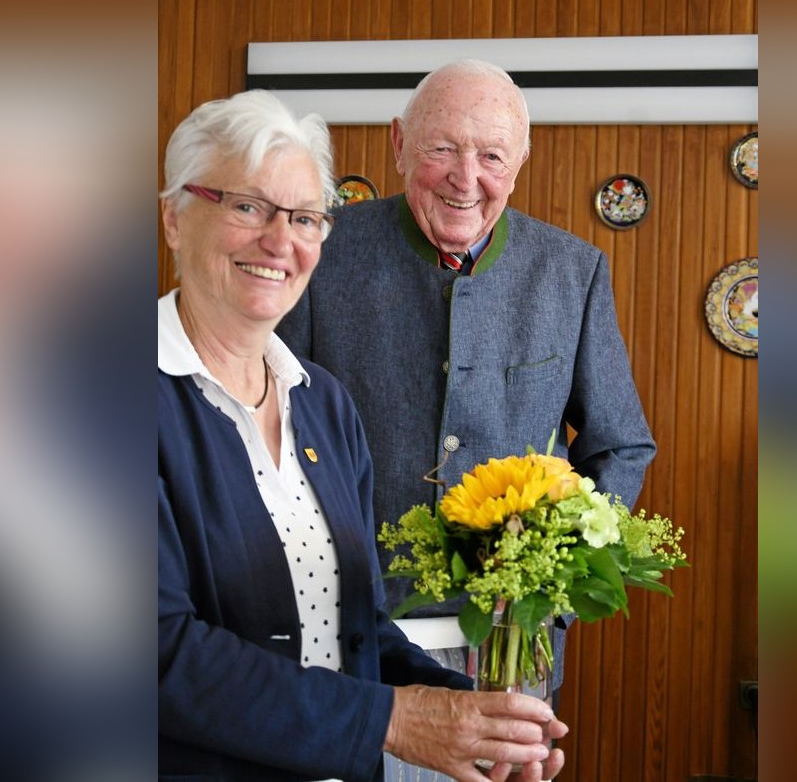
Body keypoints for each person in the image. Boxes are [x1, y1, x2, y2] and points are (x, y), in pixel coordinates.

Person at [157, 89, 568, 782]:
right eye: (247, 207)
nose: (280, 241)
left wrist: (477, 720)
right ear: (174, 217)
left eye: (305, 217)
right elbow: (160, 655)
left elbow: (358, 627)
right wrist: (394, 722)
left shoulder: (322, 403)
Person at [276, 60, 657, 741]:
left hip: (513, 650)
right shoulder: (320, 253)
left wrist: (555, 586)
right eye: (442, 148)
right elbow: (268, 427)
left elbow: (620, 445)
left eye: (491, 156)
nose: (466, 177)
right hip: (349, 636)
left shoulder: (573, 271)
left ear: (520, 162)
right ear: (399, 143)